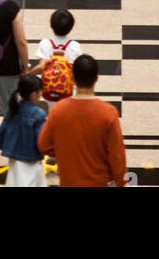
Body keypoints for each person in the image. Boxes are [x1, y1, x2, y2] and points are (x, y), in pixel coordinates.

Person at [37, 54, 127, 188]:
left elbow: (44, 145)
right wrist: (122, 183)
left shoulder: (58, 111)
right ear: (96, 78)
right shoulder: (108, 113)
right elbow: (117, 157)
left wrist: (64, 150)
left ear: (72, 78)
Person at [0, 76, 47, 187]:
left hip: (14, 156)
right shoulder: (38, 113)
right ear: (34, 94)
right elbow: (41, 138)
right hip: (32, 158)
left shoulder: (12, 109)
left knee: (15, 181)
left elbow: (2, 129)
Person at [30, 8, 84, 95]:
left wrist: (28, 74)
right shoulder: (75, 46)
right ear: (71, 27)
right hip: (68, 90)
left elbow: (42, 67)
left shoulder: (45, 43)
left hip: (50, 89)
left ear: (51, 25)